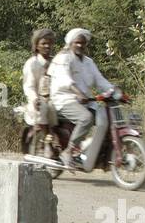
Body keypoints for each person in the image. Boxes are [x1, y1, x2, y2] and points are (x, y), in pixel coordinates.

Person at [48, 28, 115, 170]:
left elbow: (100, 80)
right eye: (77, 43)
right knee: (86, 118)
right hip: (64, 99)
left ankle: (98, 156)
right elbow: (65, 79)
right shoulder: (63, 58)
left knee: (108, 121)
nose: (80, 46)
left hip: (85, 101)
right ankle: (68, 152)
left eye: (83, 43)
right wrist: (78, 93)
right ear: (70, 43)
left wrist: (115, 91)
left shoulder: (88, 62)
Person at [22, 28, 57, 131]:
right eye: (43, 43)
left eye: (49, 43)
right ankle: (47, 138)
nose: (47, 46)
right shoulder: (32, 63)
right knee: (44, 109)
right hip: (39, 102)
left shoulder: (56, 62)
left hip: (56, 100)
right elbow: (29, 86)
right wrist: (34, 99)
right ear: (37, 46)